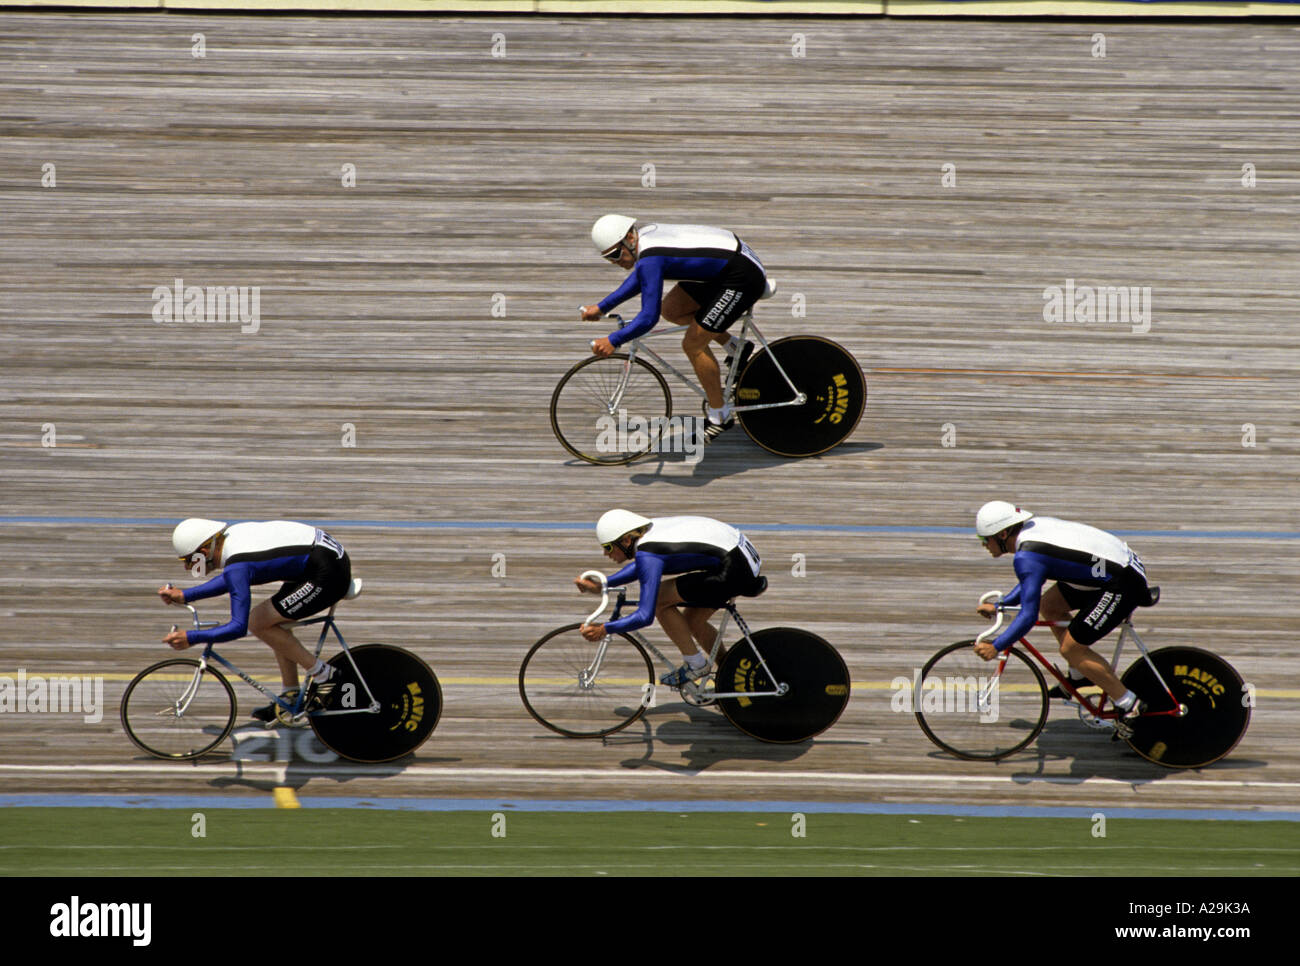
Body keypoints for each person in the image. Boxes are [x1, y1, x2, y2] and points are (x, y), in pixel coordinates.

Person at [581, 214, 769, 443]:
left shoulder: (651, 257)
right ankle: (735, 346)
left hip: (741, 276)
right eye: (608, 258)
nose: (615, 261)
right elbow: (640, 279)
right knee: (671, 310)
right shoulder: (644, 244)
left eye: (615, 254)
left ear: (629, 237)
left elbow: (648, 318)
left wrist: (615, 339)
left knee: (693, 345)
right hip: (725, 267)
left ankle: (720, 416)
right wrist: (602, 308)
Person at [973, 501, 1155, 736]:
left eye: (984, 539)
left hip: (1122, 583)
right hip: (1110, 567)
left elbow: (1027, 615)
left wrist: (997, 645)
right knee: (1050, 606)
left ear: (1003, 533)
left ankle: (1129, 705)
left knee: (1072, 649)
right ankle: (1079, 677)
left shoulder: (1026, 557)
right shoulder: (1031, 531)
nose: (983, 545)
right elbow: (1031, 583)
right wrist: (1002, 604)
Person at [159, 518, 352, 722]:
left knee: (256, 622)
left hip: (327, 573)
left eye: (188, 560)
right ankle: (292, 693)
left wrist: (192, 637)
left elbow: (238, 627)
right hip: (320, 559)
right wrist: (186, 595)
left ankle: (324, 675)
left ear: (204, 553)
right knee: (270, 621)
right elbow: (230, 579)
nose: (188, 568)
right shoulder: (231, 539)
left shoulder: (237, 565)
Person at [576, 509, 766, 686]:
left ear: (626, 540)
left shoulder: (648, 553)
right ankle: (729, 675)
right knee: (692, 621)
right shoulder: (647, 532)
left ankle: (695, 664)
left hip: (733, 568)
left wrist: (605, 629)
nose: (605, 553)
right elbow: (640, 567)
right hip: (740, 558)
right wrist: (603, 585)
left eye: (608, 547)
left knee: (659, 600)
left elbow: (645, 615)